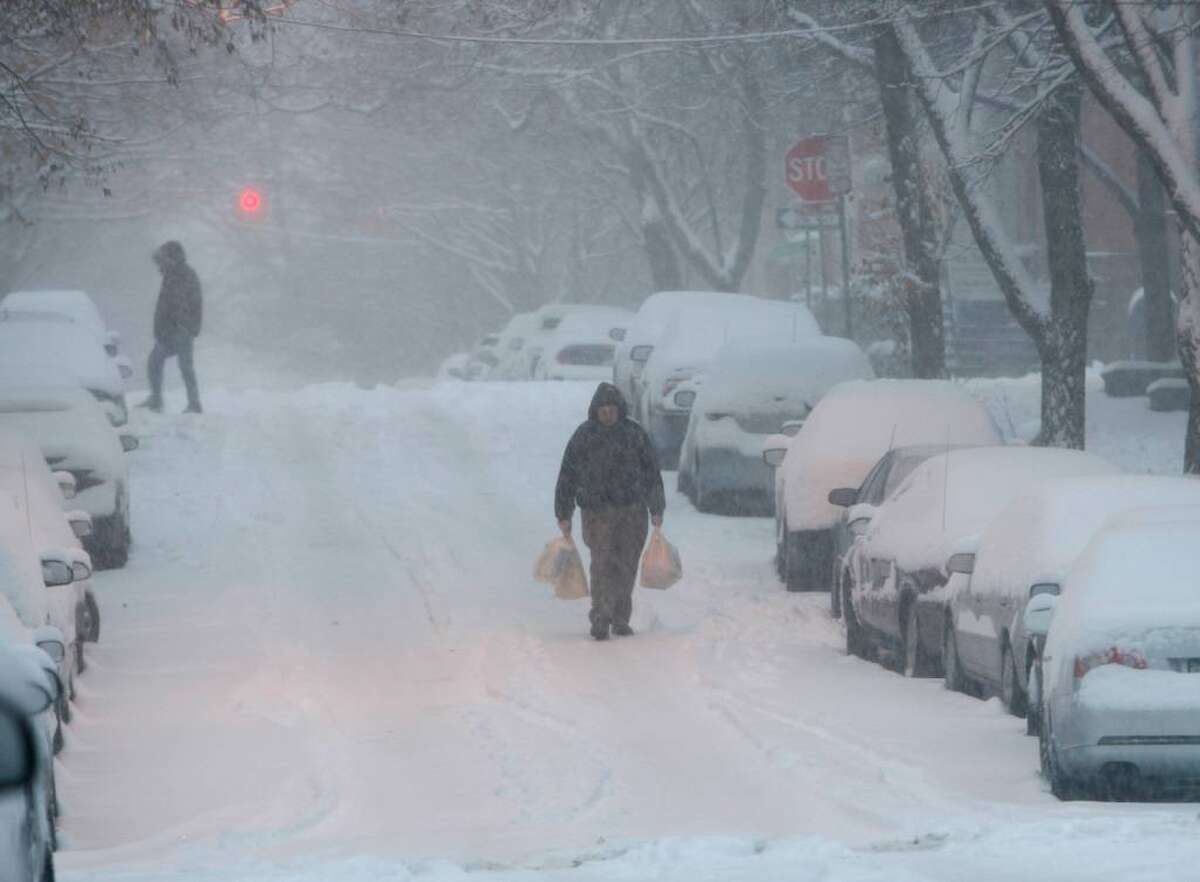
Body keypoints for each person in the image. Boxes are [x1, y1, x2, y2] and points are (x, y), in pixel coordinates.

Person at [555, 382, 665, 641]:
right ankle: (601, 615)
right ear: (595, 410)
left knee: (626, 564)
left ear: (620, 410)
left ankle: (620, 617)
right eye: (603, 409)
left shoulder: (634, 435)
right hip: (597, 512)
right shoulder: (584, 436)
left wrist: (656, 507)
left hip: (633, 511)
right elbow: (567, 476)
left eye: (612, 409)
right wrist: (564, 512)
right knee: (602, 562)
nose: (608, 414)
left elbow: (652, 473)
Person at [140, 240, 203, 413]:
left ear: (172, 258)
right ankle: (160, 398)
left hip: (179, 331)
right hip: (171, 331)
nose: (160, 265)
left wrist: (185, 327)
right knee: (158, 362)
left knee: (183, 366)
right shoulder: (173, 275)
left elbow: (182, 305)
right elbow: (168, 306)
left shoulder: (182, 276)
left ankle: (192, 403)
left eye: (163, 259)